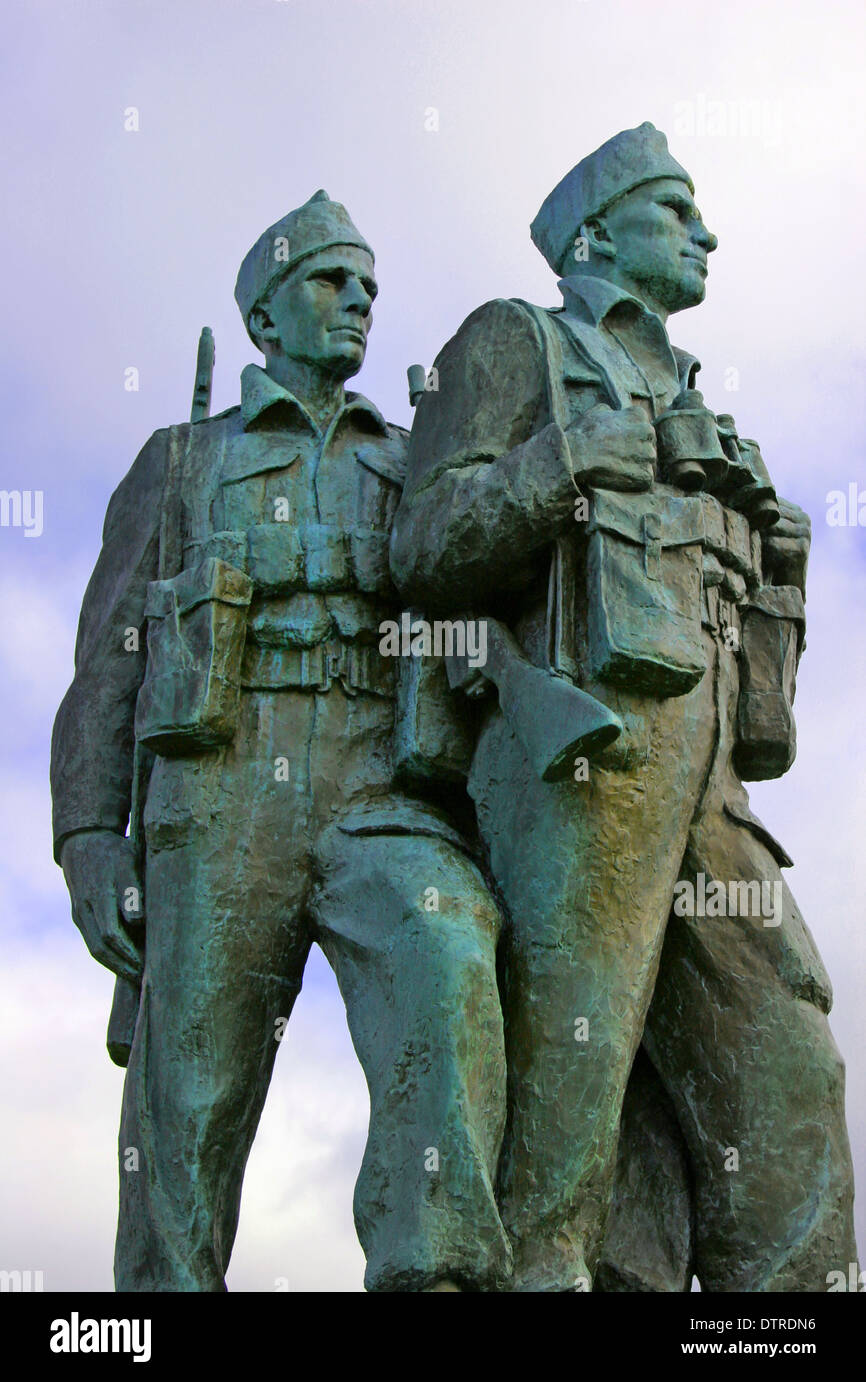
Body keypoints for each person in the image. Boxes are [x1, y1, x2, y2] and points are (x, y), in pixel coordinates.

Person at [391, 125, 858, 1291]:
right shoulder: (515, 341)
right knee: (568, 1090)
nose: (704, 234)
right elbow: (421, 549)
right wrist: (555, 463)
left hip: (710, 775)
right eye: (675, 211)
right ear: (596, 234)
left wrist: (780, 577)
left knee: (784, 1052)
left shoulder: (700, 398)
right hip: (584, 746)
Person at [51, 192, 513, 1293]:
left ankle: (435, 1269)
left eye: (367, 286)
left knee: (444, 948)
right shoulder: (178, 460)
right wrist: (85, 836)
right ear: (262, 316)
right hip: (217, 792)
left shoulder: (415, 460)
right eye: (327, 280)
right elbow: (107, 663)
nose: (356, 301)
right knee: (190, 1094)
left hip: (379, 787)